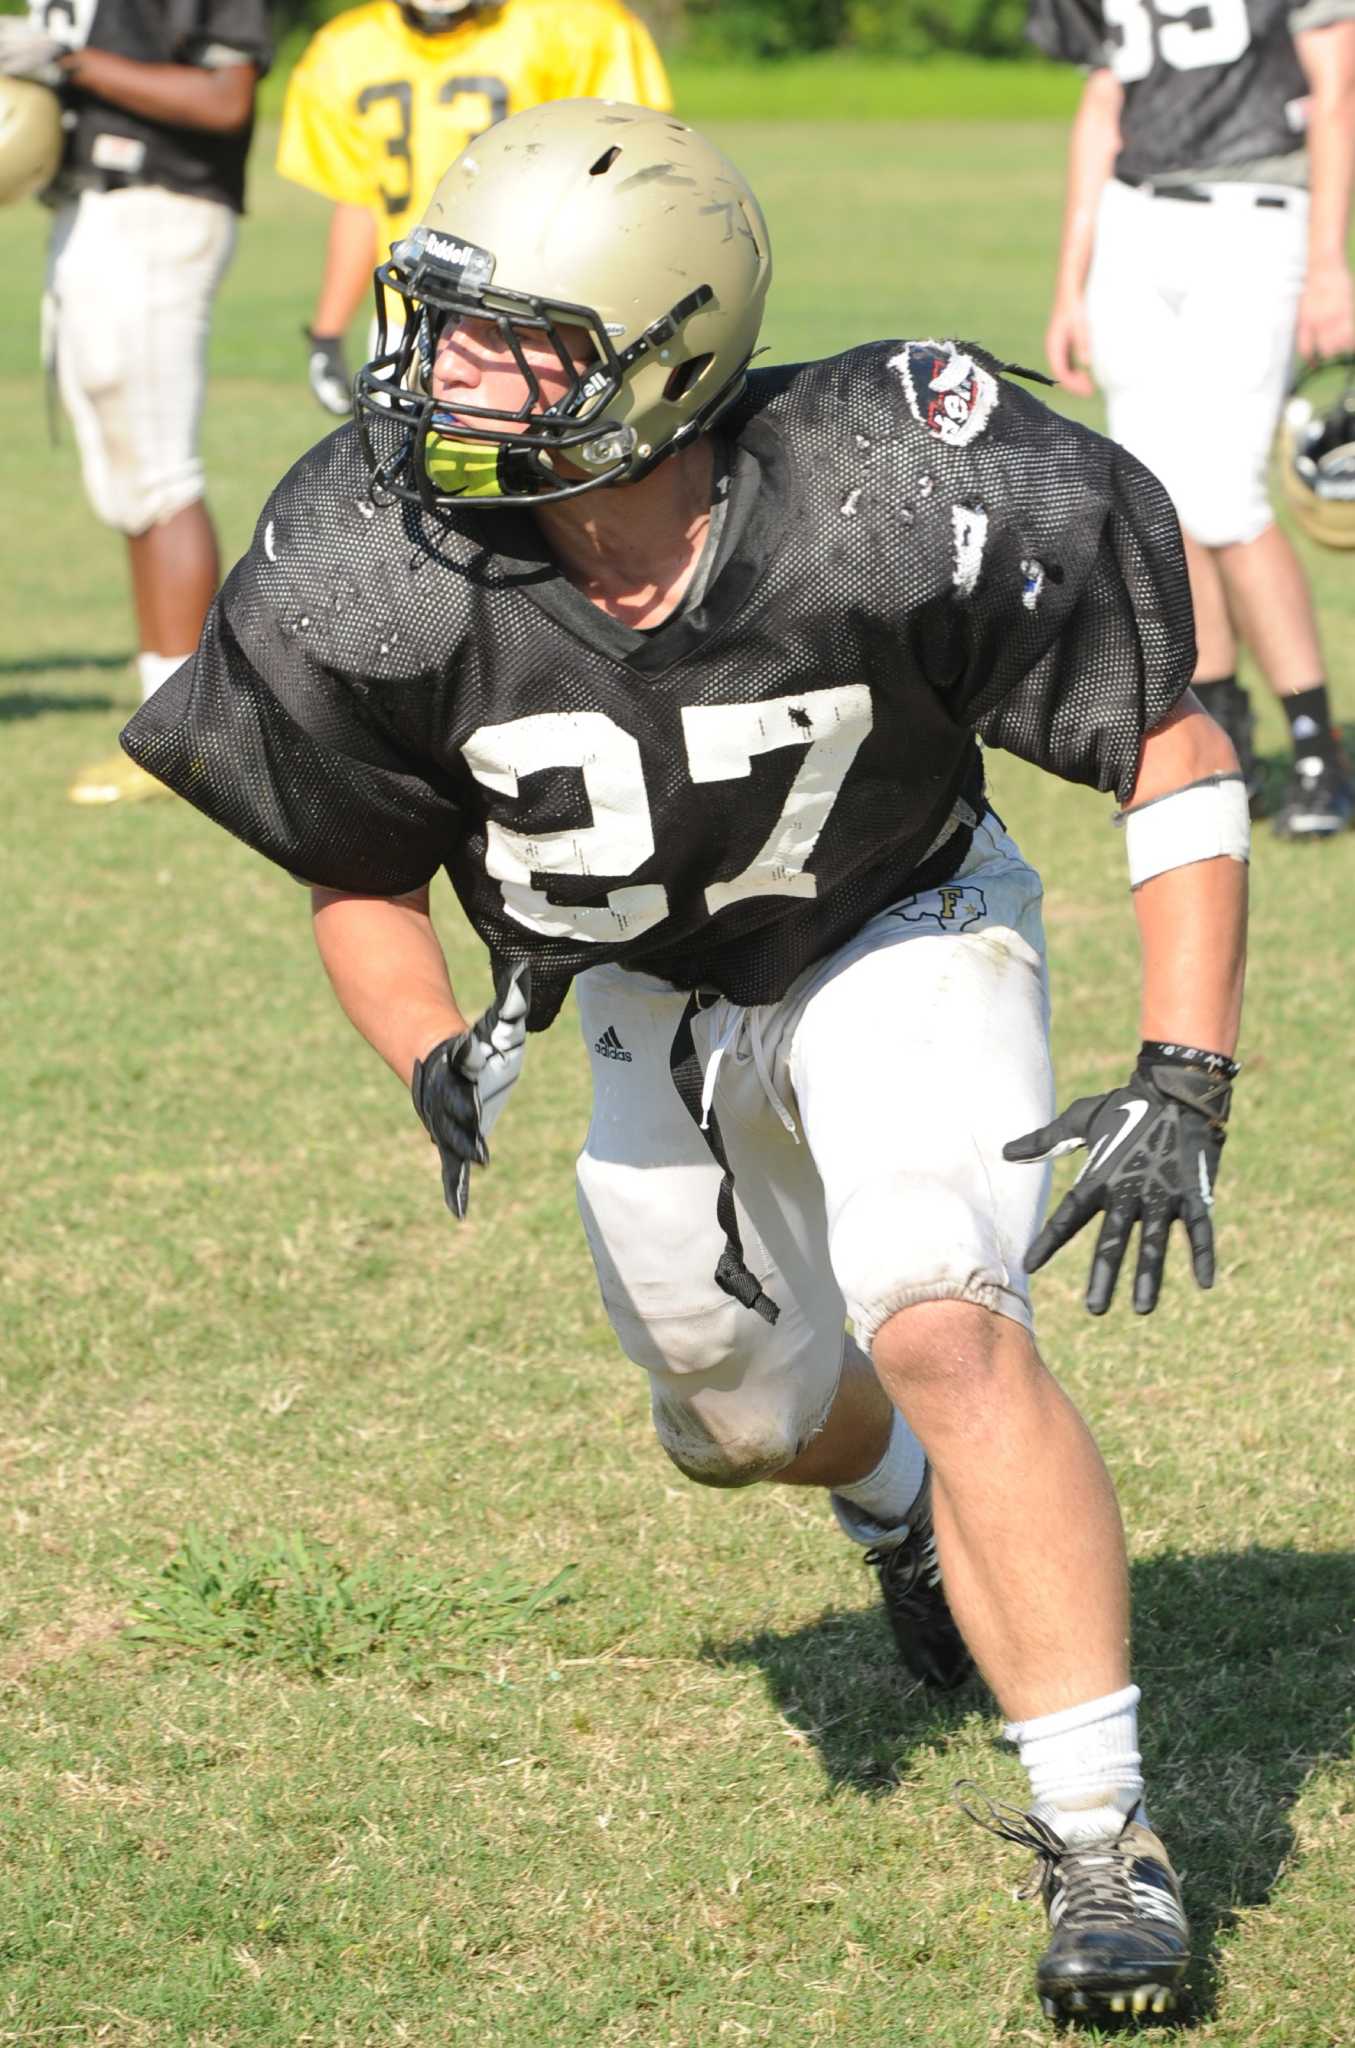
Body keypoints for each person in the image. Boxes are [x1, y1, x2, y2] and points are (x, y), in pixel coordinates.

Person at [122, 101, 1251, 2023]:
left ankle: (1102, 1836)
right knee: (734, 1421)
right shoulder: (375, 550)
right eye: (440, 324)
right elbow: (357, 873)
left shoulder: (888, 474)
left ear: (666, 358)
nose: (441, 375)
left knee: (947, 1314)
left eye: (509, 342)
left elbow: (1173, 738)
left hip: (899, 915)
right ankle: (893, 1502)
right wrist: (425, 1049)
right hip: (641, 998)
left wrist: (1187, 1060)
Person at [1029, 0, 1355, 840]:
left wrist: (1329, 263)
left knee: (1227, 500)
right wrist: (1071, 280)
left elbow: (1337, 84)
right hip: (1132, 222)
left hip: (1254, 216)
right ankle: (1221, 730)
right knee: (1156, 501)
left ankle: (1316, 746)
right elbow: (1103, 100)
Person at [0, 0, 269, 807]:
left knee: (155, 472)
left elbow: (224, 99)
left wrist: (67, 64)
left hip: (156, 207)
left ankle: (195, 734)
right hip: (95, 208)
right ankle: (169, 713)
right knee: (125, 477)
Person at [276, 0, 670, 417]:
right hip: (409, 305)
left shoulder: (575, 26)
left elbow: (629, 171)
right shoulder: (346, 47)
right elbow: (359, 202)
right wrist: (328, 332)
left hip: (538, 311)